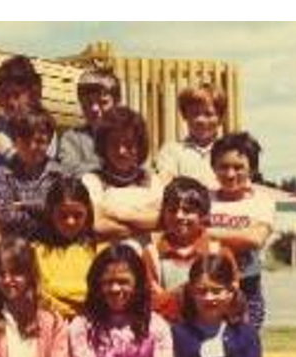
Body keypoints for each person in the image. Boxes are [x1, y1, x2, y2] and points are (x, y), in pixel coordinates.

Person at [207, 132, 274, 328]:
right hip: (207, 287)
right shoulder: (204, 198)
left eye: (238, 167)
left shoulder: (262, 201)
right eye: (223, 166)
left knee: (244, 341)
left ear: (252, 169)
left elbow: (255, 239)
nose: (230, 174)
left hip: (247, 287)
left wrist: (208, 234)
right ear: (213, 167)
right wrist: (238, 237)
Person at [82, 106, 163, 245]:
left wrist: (116, 214)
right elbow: (96, 224)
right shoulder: (91, 181)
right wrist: (144, 224)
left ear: (139, 146)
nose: (121, 151)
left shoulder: (153, 181)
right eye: (114, 144)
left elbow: (162, 221)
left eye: (129, 144)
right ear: (104, 146)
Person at [143, 176, 219, 322]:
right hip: (167, 330)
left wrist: (169, 296)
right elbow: (150, 303)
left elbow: (228, 299)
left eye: (187, 211)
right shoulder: (152, 254)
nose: (179, 216)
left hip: (208, 330)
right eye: (172, 210)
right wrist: (196, 293)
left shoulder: (216, 251)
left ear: (203, 214)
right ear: (163, 213)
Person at [0, 108, 67, 241]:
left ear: (49, 142)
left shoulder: (61, 175)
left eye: (40, 141)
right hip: (14, 246)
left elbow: (64, 214)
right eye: (25, 140)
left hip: (53, 245)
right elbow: (4, 218)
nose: (32, 147)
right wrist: (46, 212)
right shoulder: (1, 175)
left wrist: (24, 205)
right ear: (15, 141)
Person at [34, 175, 100, 320]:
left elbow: (100, 294)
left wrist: (58, 291)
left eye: (78, 215)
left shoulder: (99, 250)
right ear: (50, 213)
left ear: (88, 212)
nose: (70, 222)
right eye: (63, 215)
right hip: (51, 323)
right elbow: (40, 295)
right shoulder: (36, 252)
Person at [155, 84, 226, 189]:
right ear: (185, 116)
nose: (200, 120)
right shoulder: (172, 152)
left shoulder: (230, 151)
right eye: (194, 114)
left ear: (220, 118)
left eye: (208, 114)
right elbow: (166, 185)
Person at [0, 55, 44, 170]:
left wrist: (5, 149)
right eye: (5, 95)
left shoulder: (45, 131)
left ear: (32, 95)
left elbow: (39, 175)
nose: (11, 102)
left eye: (17, 95)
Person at [58, 69, 121, 179]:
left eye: (103, 102)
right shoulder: (71, 138)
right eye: (88, 102)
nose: (94, 108)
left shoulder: (127, 135)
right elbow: (69, 169)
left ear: (116, 102)